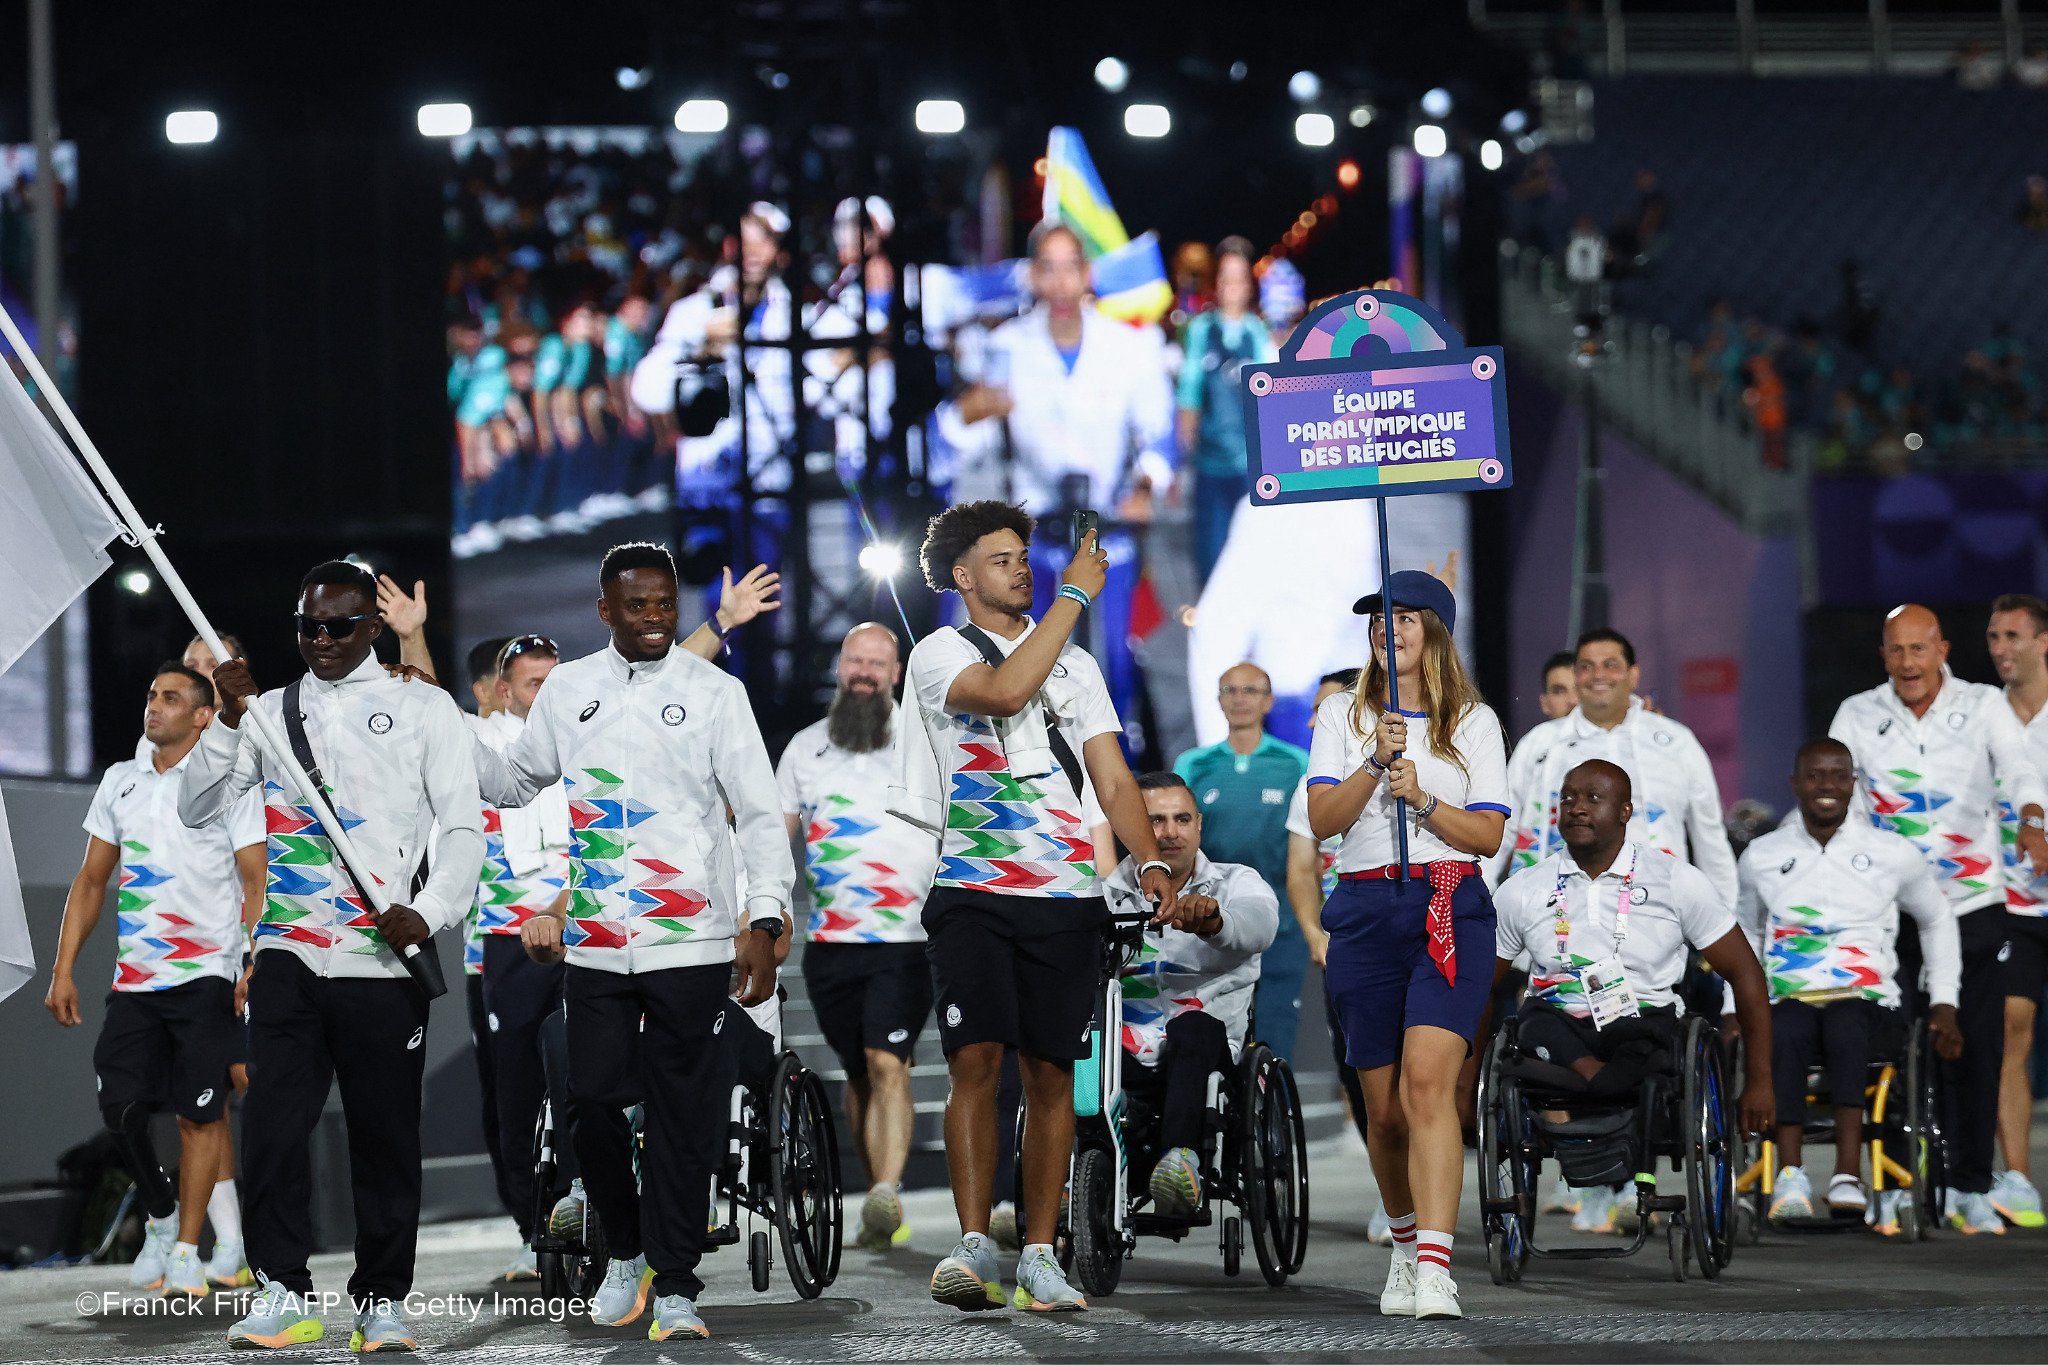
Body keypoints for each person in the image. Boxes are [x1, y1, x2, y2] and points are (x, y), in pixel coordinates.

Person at [469, 542, 795, 1343]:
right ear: (604, 609)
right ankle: (626, 1249)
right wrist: (441, 735)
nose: (654, 618)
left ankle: (677, 1286)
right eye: (637, 605)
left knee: (686, 1115)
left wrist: (765, 915)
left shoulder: (715, 691)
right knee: (590, 1102)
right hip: (597, 943)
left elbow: (756, 810)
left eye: (664, 604)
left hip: (692, 939)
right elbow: (516, 784)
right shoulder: (571, 688)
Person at [183, 560, 485, 1351]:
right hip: (286, 956)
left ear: (373, 628)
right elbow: (195, 807)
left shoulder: (426, 709)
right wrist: (221, 719)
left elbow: (461, 830)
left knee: (384, 1138)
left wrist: (430, 912)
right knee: (275, 1131)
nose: (320, 640)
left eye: (339, 626)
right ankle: (282, 1288)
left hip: (384, 962)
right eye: (307, 626)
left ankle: (381, 1300)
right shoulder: (268, 711)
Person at [902, 500, 1180, 1314]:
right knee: (976, 1064)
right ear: (963, 576)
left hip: (1065, 894)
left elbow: (1114, 779)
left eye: (1024, 556)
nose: (1021, 568)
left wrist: (1150, 858)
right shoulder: (938, 653)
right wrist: (1076, 598)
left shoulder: (1078, 666)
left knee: (1053, 1073)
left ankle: (1040, 1252)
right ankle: (973, 1243)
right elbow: (1001, 688)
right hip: (973, 892)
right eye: (1001, 559)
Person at [1305, 570, 1509, 1321]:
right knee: (1383, 1110)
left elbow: (1487, 834)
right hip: (1363, 907)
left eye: (1407, 619)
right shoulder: (1341, 713)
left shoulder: (1475, 723)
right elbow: (1324, 820)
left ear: (1437, 633)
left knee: (1430, 1087)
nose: (1389, 631)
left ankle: (1435, 1266)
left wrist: (1421, 795)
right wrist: (1371, 764)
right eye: (1379, 620)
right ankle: (1401, 1244)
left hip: (1450, 903)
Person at [1828, 603, 2048, 1234]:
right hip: (1890, 910)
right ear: (1883, 655)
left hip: (1973, 905)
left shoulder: (1982, 705)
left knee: (1977, 1048)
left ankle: (1970, 1186)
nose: (1907, 664)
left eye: (1919, 650)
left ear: (1943, 649)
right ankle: (1895, 1185)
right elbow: (1837, 794)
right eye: (1896, 651)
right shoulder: (1858, 714)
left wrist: (2032, 822)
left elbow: (2021, 771)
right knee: (1891, 1050)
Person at [46, 664, 264, 1298]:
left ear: (203, 716)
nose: (155, 705)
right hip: (136, 981)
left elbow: (256, 881)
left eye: (172, 698)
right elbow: (91, 881)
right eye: (151, 695)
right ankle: (163, 1217)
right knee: (120, 1108)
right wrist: (63, 969)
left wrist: (253, 959)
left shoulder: (231, 785)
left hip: (206, 976)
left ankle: (189, 1252)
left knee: (201, 1119)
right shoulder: (120, 781)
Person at [1492, 760, 1774, 1234]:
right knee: (1534, 1019)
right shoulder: (1523, 888)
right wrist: (1463, 1078)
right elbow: (1484, 983)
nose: (1576, 808)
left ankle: (1591, 1107)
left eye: (1592, 798)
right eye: (1568, 798)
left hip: (1638, 1021)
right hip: (1558, 1024)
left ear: (1625, 812)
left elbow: (1746, 974)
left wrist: (1760, 1080)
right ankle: (1589, 1090)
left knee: (1649, 1041)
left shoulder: (1674, 881)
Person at [1735, 738, 1963, 1226]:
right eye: (1814, 776)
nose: (1827, 786)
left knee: (1845, 1024)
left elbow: (1938, 919)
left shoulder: (1891, 852)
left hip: (1866, 999)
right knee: (1787, 1028)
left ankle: (1846, 1176)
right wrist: (1736, 1009)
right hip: (1791, 995)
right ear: (1795, 784)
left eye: (1838, 775)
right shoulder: (1762, 855)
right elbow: (1748, 934)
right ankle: (1790, 1175)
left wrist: (1944, 1000)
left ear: (1853, 783)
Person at [775, 622, 937, 1250]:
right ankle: (879, 1205)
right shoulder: (804, 750)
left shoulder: (925, 744)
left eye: (878, 662)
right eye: (855, 661)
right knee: (858, 1072)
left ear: (896, 674)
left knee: (885, 1060)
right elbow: (774, 837)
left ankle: (887, 1190)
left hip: (906, 938)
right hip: (830, 944)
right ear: (840, 669)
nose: (865, 672)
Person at [1104, 773, 1278, 1214]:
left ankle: (1179, 1163)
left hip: (1207, 1052)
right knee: (1076, 1041)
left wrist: (1216, 923)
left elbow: (1261, 924)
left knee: (1194, 1027)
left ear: (1199, 825)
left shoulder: (1235, 882)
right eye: (1154, 820)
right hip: (1125, 1053)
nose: (1169, 832)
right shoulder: (1104, 897)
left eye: (1182, 819)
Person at [1492, 629, 1738, 913]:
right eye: (1586, 667)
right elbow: (1503, 828)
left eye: (1610, 665)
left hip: (1656, 915)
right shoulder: (1540, 743)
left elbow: (1709, 837)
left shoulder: (1676, 742)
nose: (1598, 675)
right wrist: (1478, 903)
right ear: (1576, 675)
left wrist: (1725, 922)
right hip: (1552, 916)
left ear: (1633, 675)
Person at [471, 634, 573, 1281]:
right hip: (504, 946)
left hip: (584, 934)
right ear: (503, 691)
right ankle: (531, 1228)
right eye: (534, 683)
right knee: (513, 1099)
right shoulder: (485, 748)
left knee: (585, 1083)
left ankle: (590, 1208)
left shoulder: (591, 742)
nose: (547, 695)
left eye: (554, 681)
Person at [1174, 662, 1309, 1061]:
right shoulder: (1192, 765)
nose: (1239, 699)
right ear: (1218, 700)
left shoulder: (1295, 764)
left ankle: (1266, 1113)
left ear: (1267, 701)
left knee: (1274, 1028)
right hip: (1208, 917)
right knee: (1212, 1024)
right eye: (1230, 690)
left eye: (1250, 691)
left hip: (1283, 919)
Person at [1987, 593, 2048, 1227]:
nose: (2002, 649)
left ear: (2043, 641)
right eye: (1994, 638)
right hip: (2014, 903)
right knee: (2012, 1028)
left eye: (2013, 636)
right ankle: (2018, 1178)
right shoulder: (1983, 717)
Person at [1176, 236, 1276, 583]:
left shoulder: (1258, 333)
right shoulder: (1202, 331)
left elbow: (1273, 401)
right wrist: (1178, 463)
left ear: (1249, 285)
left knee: (1255, 567)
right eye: (1225, 277)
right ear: (1216, 283)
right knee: (1212, 566)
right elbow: (1189, 395)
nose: (1232, 285)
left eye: (1239, 278)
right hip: (1210, 469)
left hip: (1252, 472)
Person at [1537, 650, 1578, 723]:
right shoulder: (1535, 734)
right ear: (1545, 704)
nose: (1573, 701)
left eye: (1579, 689)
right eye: (1560, 692)